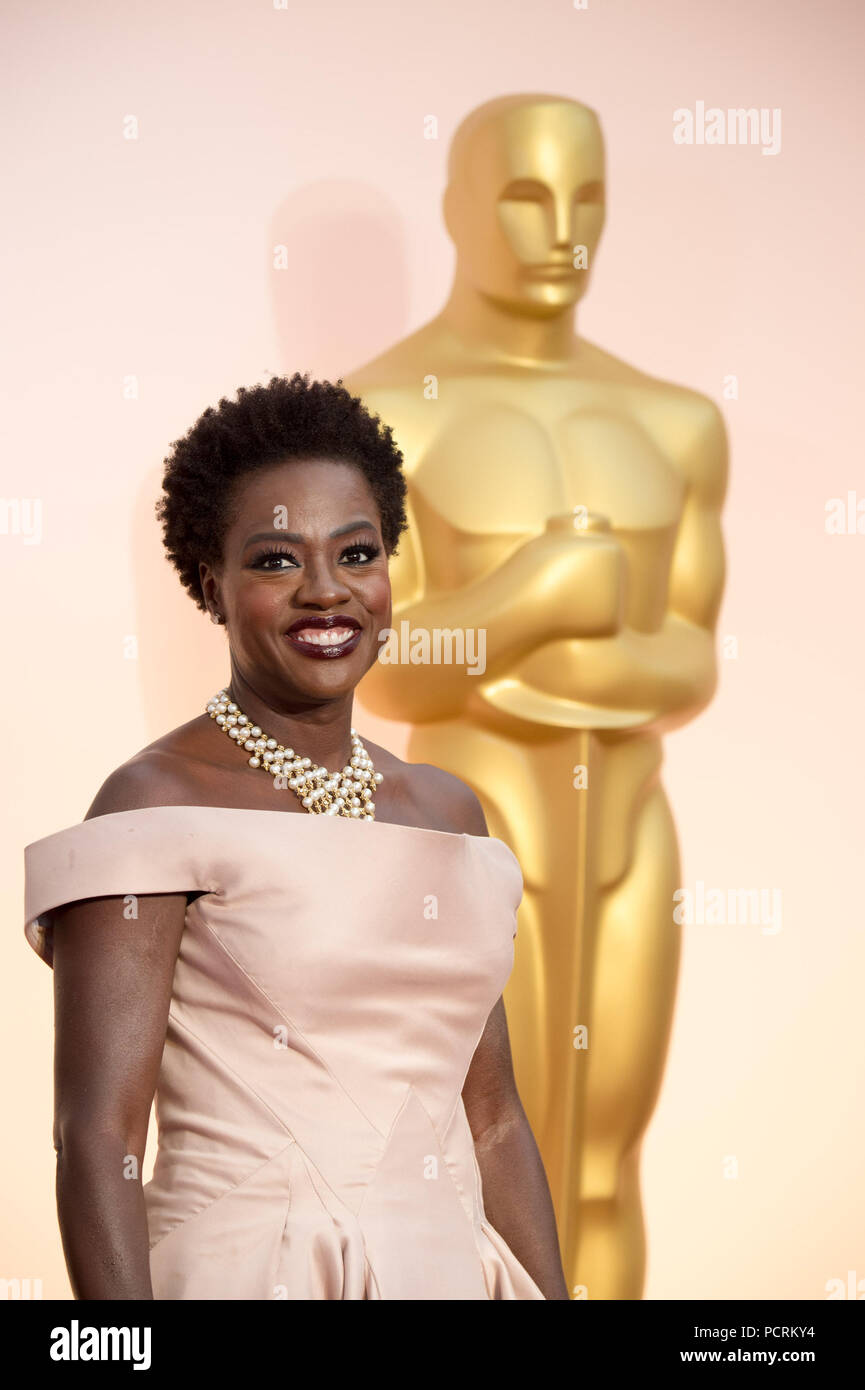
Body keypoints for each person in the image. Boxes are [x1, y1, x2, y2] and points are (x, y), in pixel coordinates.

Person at [23, 372, 569, 1301]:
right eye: (277, 561)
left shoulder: (447, 812)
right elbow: (99, 1137)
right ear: (213, 587)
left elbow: (493, 1123)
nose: (326, 592)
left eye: (356, 554)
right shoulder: (152, 801)